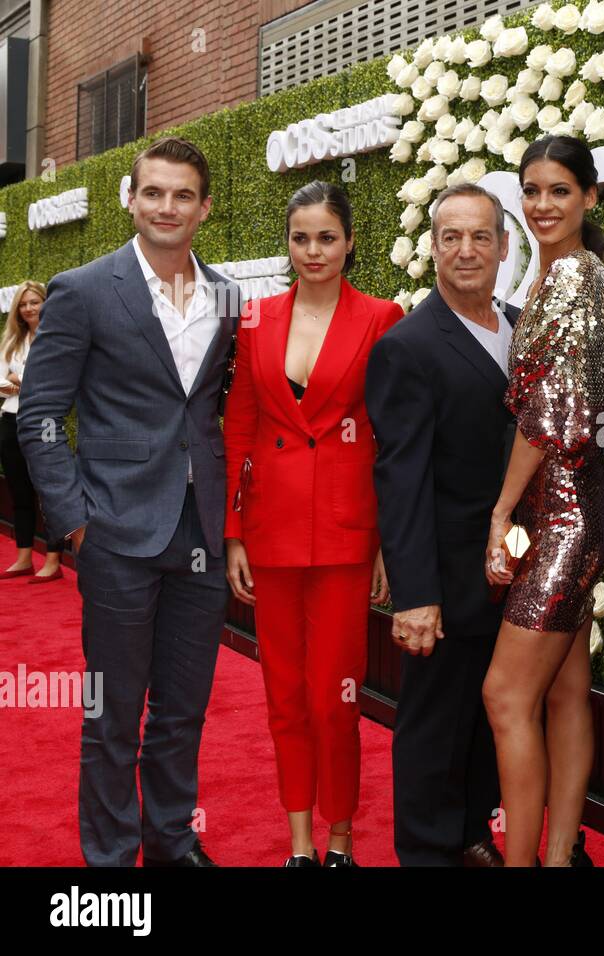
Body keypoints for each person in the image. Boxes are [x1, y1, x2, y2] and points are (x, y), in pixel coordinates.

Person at [18, 136, 241, 867]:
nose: (167, 206)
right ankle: (111, 859)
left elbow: (218, 409)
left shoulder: (229, 295)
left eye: (183, 194)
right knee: (112, 714)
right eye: (154, 192)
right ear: (131, 199)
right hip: (115, 531)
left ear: (204, 207)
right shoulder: (83, 289)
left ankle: (172, 840)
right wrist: (75, 521)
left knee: (182, 709)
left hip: (200, 528)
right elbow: (41, 414)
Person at [223, 180, 400, 867]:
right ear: (288, 243)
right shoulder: (257, 317)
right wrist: (233, 532)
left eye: (327, 237)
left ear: (350, 241)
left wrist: (388, 538)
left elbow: (393, 435)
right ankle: (299, 841)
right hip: (270, 533)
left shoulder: (381, 317)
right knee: (285, 695)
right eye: (301, 238)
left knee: (337, 697)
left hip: (346, 535)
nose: (313, 250)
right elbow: (239, 423)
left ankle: (340, 835)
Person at [366, 183, 520, 867]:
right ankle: (428, 850)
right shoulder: (409, 345)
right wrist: (415, 594)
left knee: (492, 717)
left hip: (516, 574)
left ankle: (470, 835)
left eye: (480, 237)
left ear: (503, 247)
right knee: (434, 725)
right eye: (451, 237)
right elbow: (400, 481)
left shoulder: (522, 326)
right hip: (445, 579)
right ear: (432, 247)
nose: (466, 251)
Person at [482, 135, 604, 867]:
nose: (541, 205)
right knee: (564, 690)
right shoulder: (555, 275)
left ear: (590, 197)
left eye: (559, 191)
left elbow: (547, 413)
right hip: (567, 505)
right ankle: (559, 858)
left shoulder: (574, 276)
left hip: (562, 512)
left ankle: (526, 861)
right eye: (531, 191)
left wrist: (503, 512)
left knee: (505, 696)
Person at [1, 281, 65, 582]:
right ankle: (24, 557)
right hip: (10, 420)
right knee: (19, 492)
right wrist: (17, 382)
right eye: (23, 303)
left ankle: (53, 561)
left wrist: (17, 379)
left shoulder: (58, 337)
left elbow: (50, 383)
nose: (28, 308)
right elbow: (2, 383)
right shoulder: (12, 340)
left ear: (46, 303)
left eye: (34, 302)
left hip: (45, 423)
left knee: (49, 493)